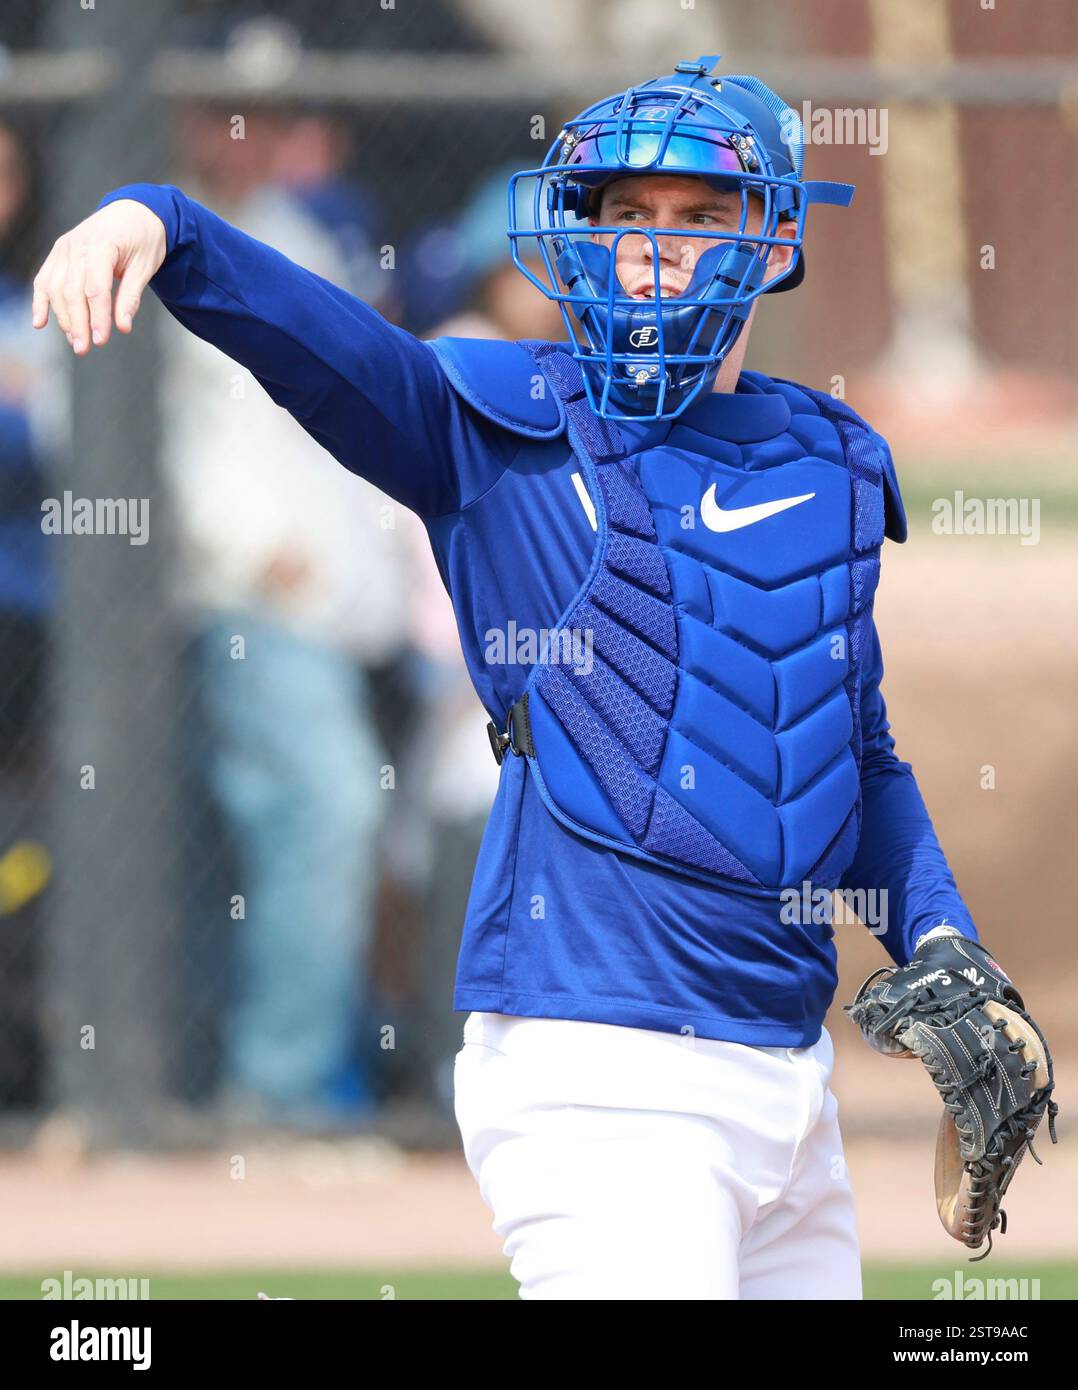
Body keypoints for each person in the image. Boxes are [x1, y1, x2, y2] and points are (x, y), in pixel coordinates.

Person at [31, 56, 1044, 1297]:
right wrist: (170, 227)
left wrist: (939, 932)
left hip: (789, 1081)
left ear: (774, 241)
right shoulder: (503, 425)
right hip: (597, 1074)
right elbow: (339, 351)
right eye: (627, 216)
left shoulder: (827, 461)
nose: (655, 249)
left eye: (698, 216)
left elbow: (855, 752)